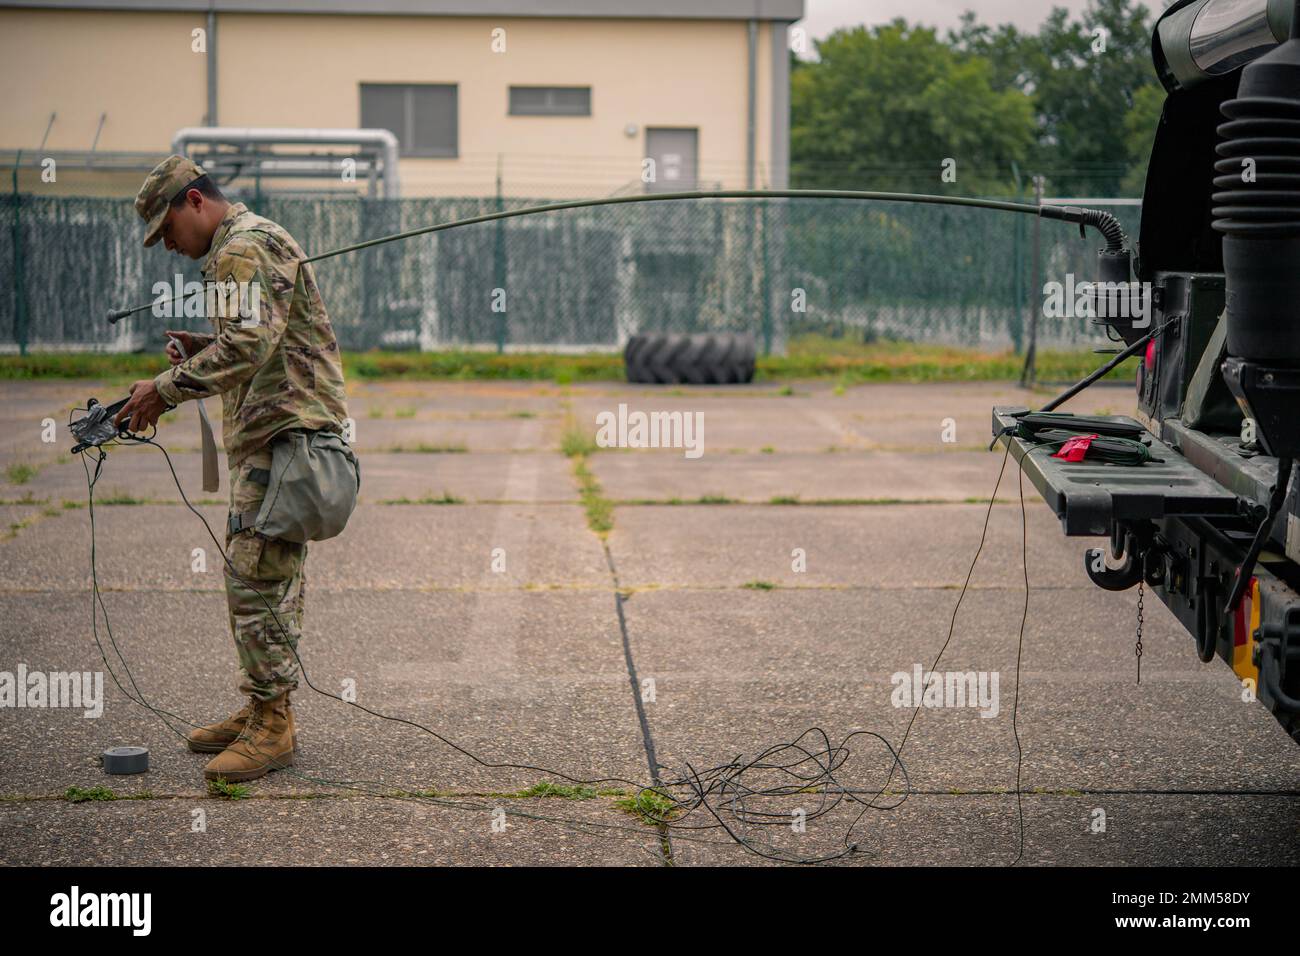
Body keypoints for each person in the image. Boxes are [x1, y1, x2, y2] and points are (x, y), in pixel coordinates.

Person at [116, 154, 349, 782]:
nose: (168, 247)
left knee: (255, 579)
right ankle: (260, 710)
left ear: (195, 201)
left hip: (285, 440)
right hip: (277, 437)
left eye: (167, 231)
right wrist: (199, 350)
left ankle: (273, 726)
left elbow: (248, 343)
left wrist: (163, 389)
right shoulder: (245, 244)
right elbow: (260, 341)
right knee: (261, 577)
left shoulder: (242, 249)